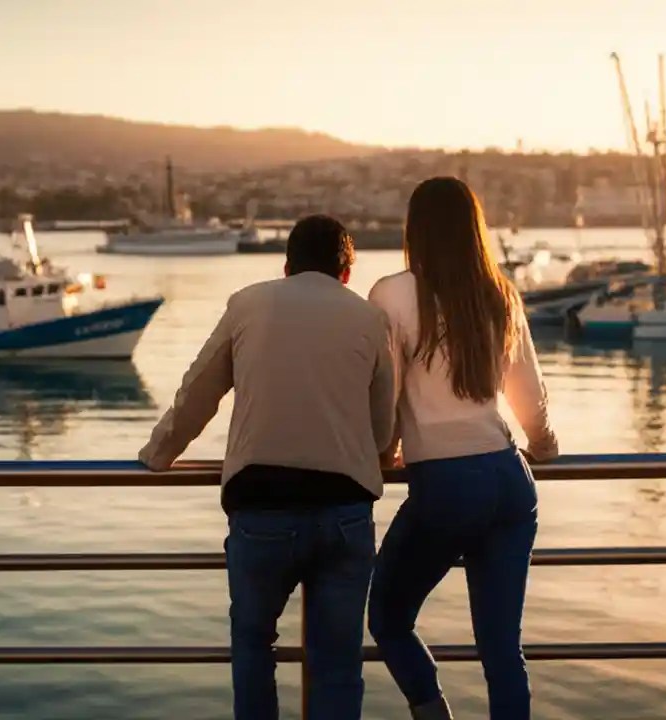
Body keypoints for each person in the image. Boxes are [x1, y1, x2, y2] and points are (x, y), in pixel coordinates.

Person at [138, 214, 397, 720]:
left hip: (262, 509)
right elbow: (383, 427)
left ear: (286, 267)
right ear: (346, 273)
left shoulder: (247, 304)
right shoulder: (369, 319)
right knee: (338, 662)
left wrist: (160, 453)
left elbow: (198, 392)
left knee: (254, 644)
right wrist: (378, 455)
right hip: (344, 513)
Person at [366, 177, 559, 720]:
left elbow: (384, 392)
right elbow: (530, 399)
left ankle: (433, 712)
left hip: (447, 485)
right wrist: (544, 448)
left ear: (415, 229)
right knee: (502, 651)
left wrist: (385, 451)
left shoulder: (391, 294)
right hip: (509, 479)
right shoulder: (500, 293)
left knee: (389, 619)